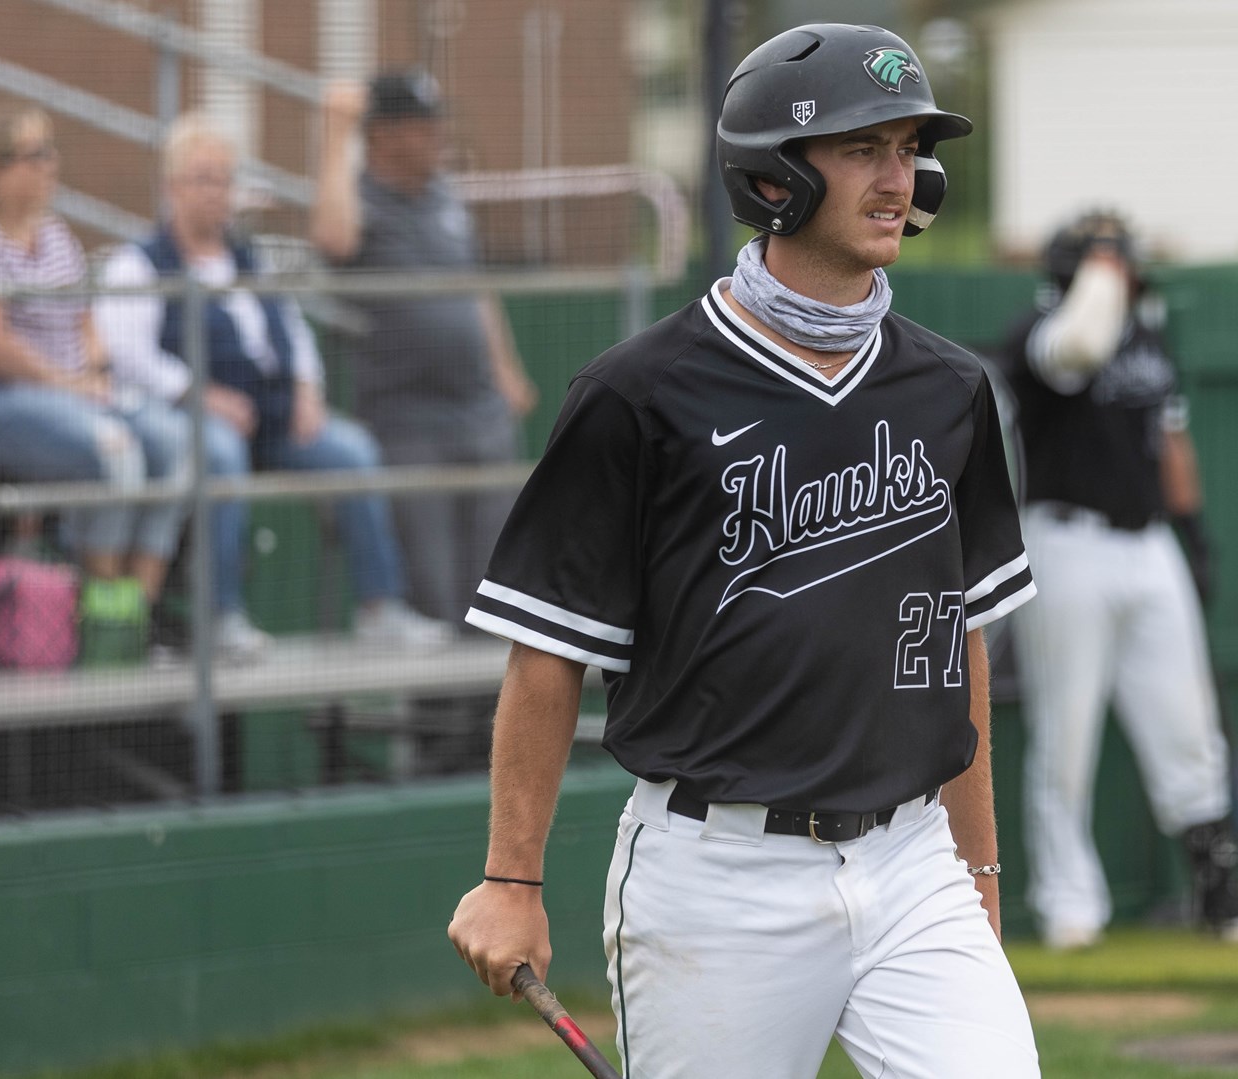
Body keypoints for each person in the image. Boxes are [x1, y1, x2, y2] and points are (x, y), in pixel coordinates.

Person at [446, 24, 1041, 1078]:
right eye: (865, 148)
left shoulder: (949, 391)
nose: (897, 177)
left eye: (909, 148)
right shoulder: (638, 393)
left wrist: (979, 861)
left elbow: (962, 647)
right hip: (717, 873)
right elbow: (546, 655)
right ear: (775, 179)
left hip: (912, 861)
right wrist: (512, 878)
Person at [95, 113, 453, 658]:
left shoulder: (248, 259)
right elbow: (128, 353)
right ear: (171, 188)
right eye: (203, 179)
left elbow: (291, 331)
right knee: (220, 456)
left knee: (351, 450)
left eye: (224, 179)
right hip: (199, 424)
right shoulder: (138, 265)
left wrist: (308, 388)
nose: (218, 192)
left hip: (276, 417)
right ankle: (222, 619)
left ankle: (381, 609)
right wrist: (198, 394)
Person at [1003, 210, 1238, 950]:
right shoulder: (1039, 331)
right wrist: (1100, 278)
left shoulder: (1148, 331)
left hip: (1148, 543)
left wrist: (1194, 533)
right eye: (1107, 262)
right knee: (1066, 732)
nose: (1123, 273)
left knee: (1187, 726)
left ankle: (1218, 892)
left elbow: (1171, 437)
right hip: (1066, 537)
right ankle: (1069, 905)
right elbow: (1078, 346)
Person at [0, 103, 188, 626]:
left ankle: (135, 612)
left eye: (52, 153)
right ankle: (102, 613)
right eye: (37, 155)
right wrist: (69, 386)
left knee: (174, 442)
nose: (52, 165)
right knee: (113, 448)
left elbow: (86, 323)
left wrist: (95, 375)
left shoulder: (54, 233)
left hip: (65, 392)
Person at [310, 70, 537, 627]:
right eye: (421, 125)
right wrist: (336, 133)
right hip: (408, 424)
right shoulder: (359, 198)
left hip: (479, 415)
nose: (437, 135)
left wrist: (505, 366)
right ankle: (442, 717)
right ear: (383, 134)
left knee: (499, 587)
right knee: (435, 594)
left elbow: (475, 286)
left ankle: (489, 716)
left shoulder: (444, 198)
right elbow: (332, 238)